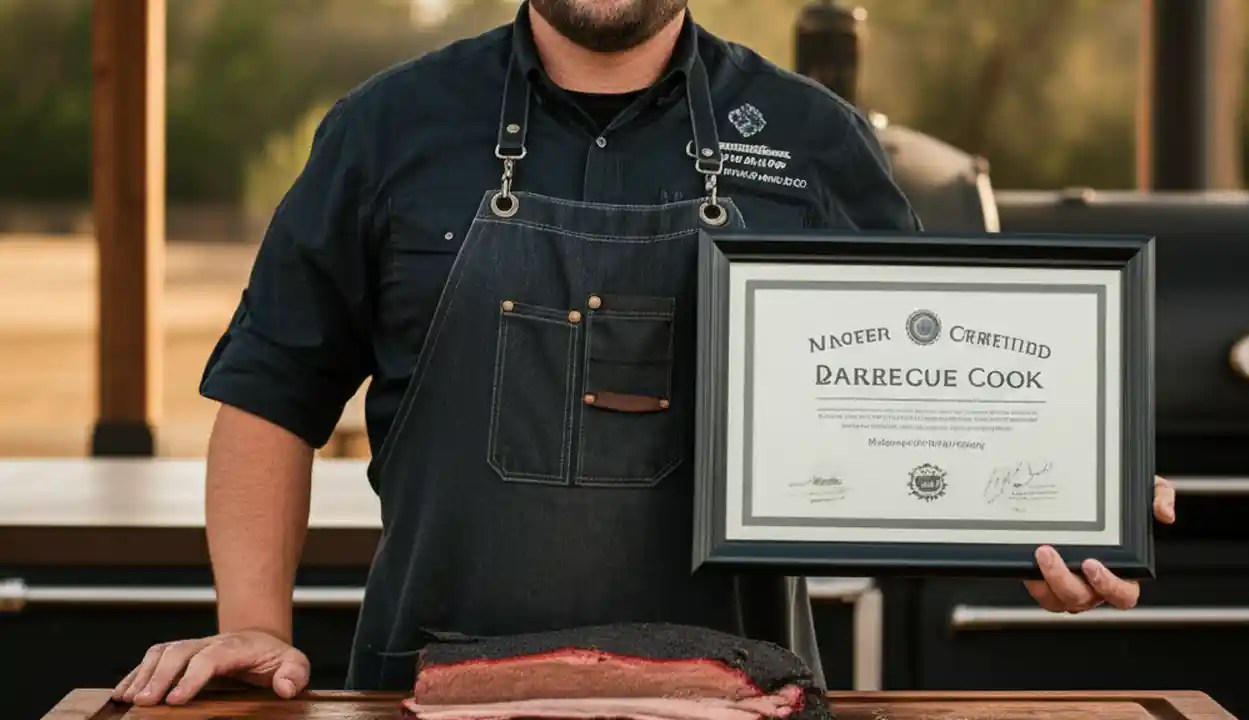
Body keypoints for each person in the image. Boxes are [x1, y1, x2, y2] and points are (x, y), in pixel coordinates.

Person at [112, 0, 1177, 707]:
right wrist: (251, 626)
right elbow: (270, 394)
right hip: (432, 695)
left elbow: (923, 386)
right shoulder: (385, 129)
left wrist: (1054, 497)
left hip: (733, 698)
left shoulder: (812, 142)